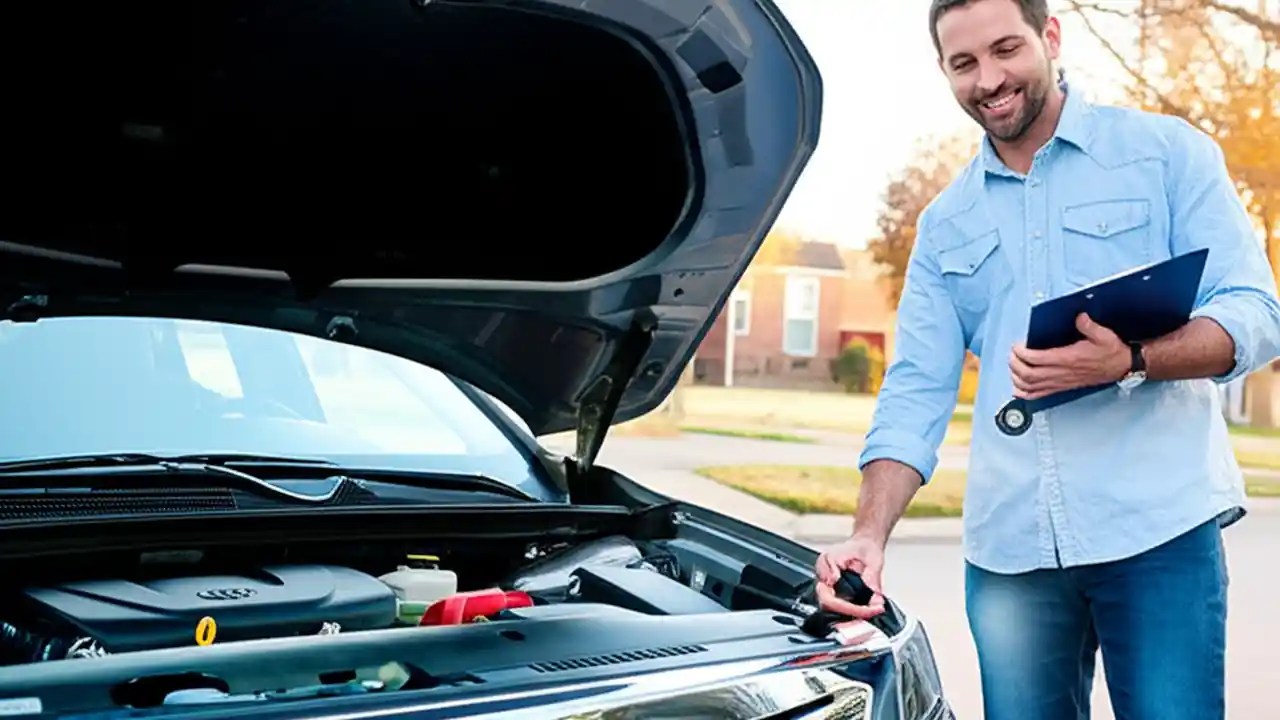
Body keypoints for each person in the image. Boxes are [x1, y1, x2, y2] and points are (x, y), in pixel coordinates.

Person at [813, 0, 1280, 718]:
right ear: (943, 71)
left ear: (1050, 36)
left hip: (1157, 534)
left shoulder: (1166, 154)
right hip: (1011, 557)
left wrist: (1129, 359)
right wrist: (868, 536)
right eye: (964, 63)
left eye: (1007, 49)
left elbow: (1256, 312)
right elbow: (914, 392)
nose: (989, 79)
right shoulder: (945, 227)